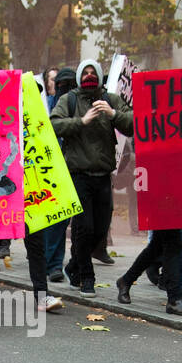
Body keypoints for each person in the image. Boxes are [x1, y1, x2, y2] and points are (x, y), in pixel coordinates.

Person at [50, 57, 133, 297]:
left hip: (103, 175)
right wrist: (82, 121)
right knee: (83, 228)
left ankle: (73, 266)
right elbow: (53, 124)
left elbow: (133, 122)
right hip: (78, 175)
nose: (88, 76)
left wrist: (113, 113)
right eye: (84, 72)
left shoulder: (111, 99)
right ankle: (87, 278)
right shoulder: (70, 99)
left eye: (92, 72)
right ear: (78, 77)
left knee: (99, 231)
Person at [42, 65, 77, 280]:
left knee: (64, 221)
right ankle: (53, 264)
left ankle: (61, 263)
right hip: (50, 167)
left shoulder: (78, 105)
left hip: (74, 167)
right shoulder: (46, 106)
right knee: (55, 220)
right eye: (61, 84)